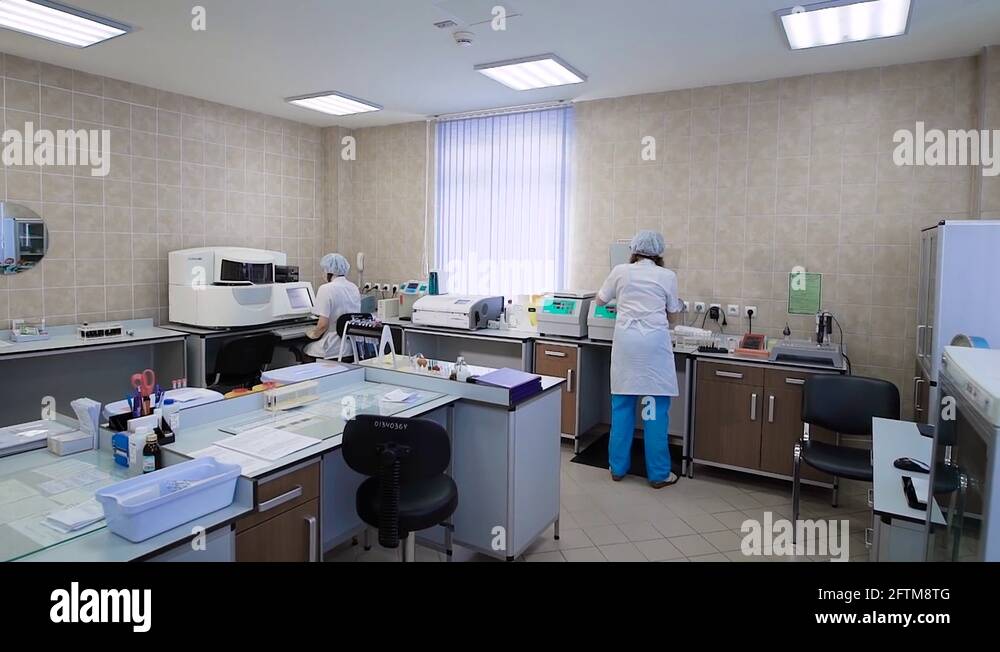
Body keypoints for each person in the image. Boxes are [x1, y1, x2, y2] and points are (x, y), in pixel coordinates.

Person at [595, 230, 685, 488]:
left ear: (633, 250)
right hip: (654, 347)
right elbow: (673, 315)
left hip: (627, 346)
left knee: (622, 409)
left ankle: (617, 468)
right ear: (659, 252)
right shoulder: (667, 276)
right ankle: (658, 475)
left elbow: (600, 301)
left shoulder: (621, 271)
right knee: (654, 412)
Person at [304, 253, 361, 359]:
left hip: (332, 348)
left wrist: (310, 335)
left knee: (304, 347)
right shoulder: (353, 287)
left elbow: (322, 325)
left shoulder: (326, 289)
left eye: (323, 270)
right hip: (351, 348)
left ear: (328, 271)